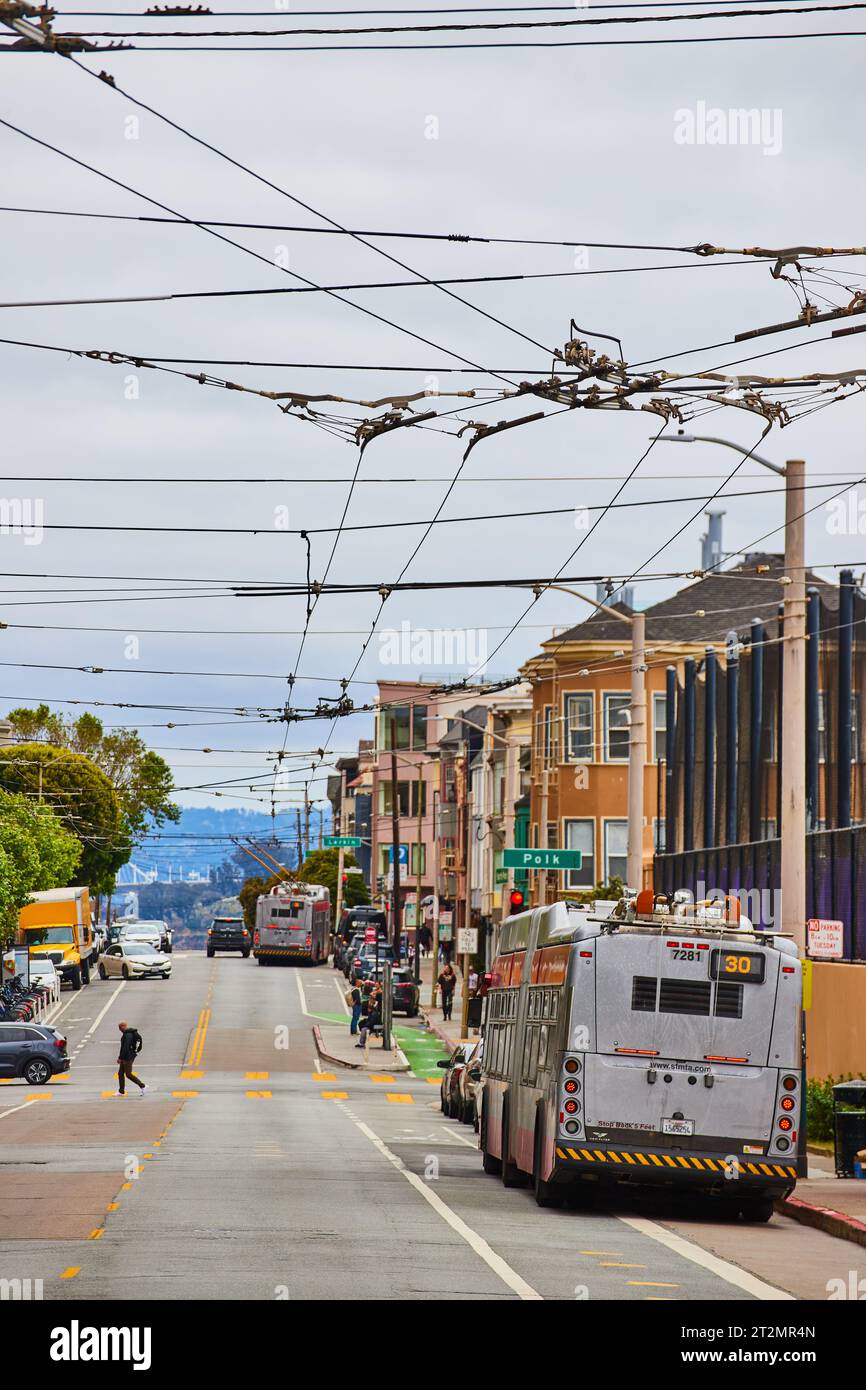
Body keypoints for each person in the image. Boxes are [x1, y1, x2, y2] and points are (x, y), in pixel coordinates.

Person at [116, 1021, 146, 1096]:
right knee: (120, 1073)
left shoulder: (128, 1035)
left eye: (120, 1028)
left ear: (122, 1027)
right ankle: (121, 1091)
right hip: (128, 1055)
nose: (120, 1030)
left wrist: (121, 1057)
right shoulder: (129, 1033)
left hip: (128, 1057)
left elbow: (125, 1047)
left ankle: (142, 1085)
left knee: (128, 1074)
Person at [356, 983, 383, 1049]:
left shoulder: (375, 1011)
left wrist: (366, 1025)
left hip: (374, 1024)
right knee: (363, 1026)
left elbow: (372, 1021)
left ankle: (361, 1043)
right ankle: (361, 1043)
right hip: (373, 1023)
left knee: (364, 1029)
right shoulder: (374, 1010)